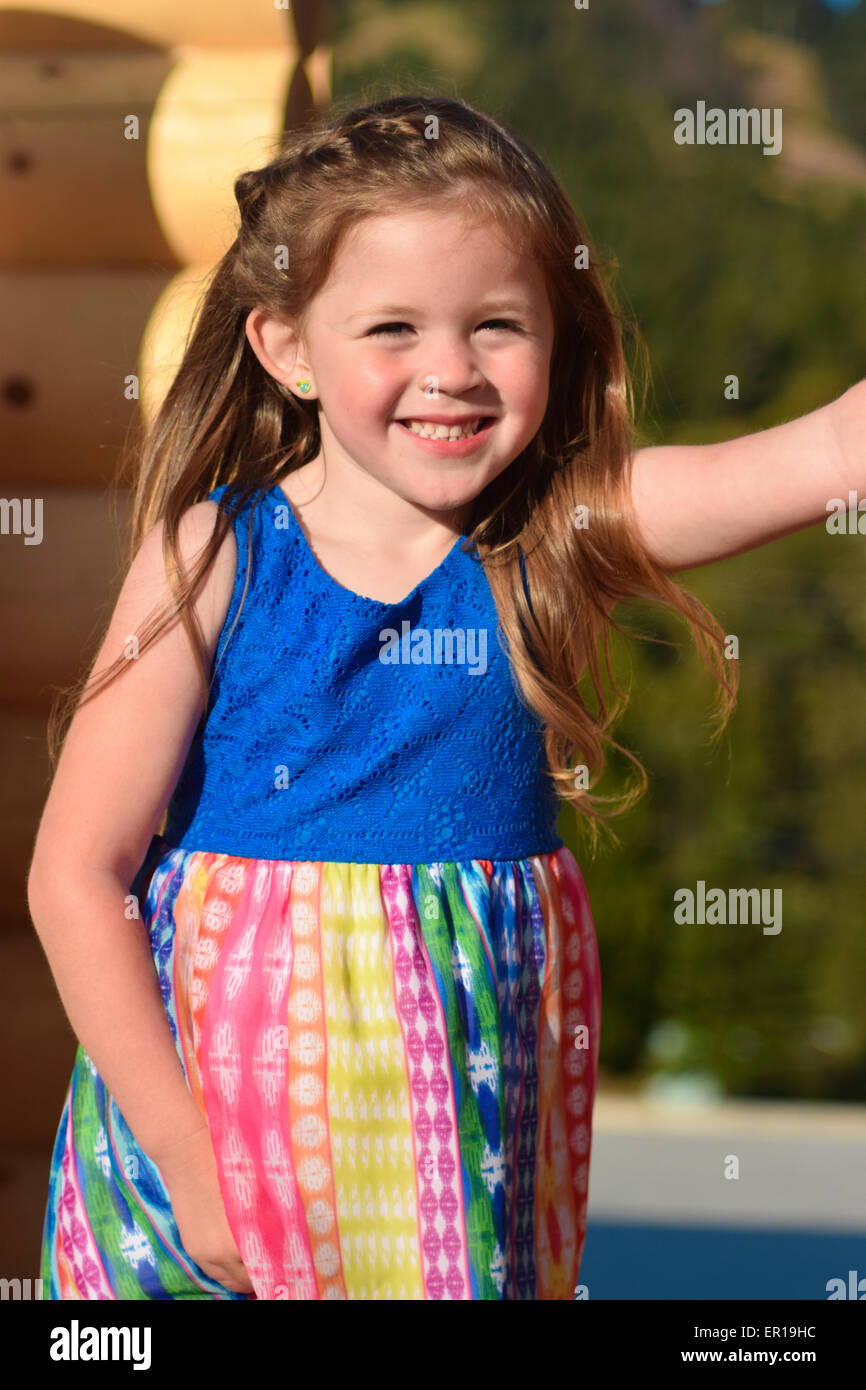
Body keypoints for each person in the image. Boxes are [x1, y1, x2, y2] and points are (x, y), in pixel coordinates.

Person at [27, 92, 866, 1301]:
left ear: (555, 339)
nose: (451, 371)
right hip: (214, 1147)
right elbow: (75, 872)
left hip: (443, 1176)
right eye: (392, 329)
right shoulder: (216, 556)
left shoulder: (555, 537)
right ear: (287, 347)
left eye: (496, 326)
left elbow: (826, 454)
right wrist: (189, 1164)